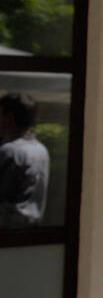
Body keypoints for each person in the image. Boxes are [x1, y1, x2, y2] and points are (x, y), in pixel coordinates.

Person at [0, 91, 50, 227]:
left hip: (7, 229)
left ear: (9, 117)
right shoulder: (41, 149)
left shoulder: (9, 151)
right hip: (30, 229)